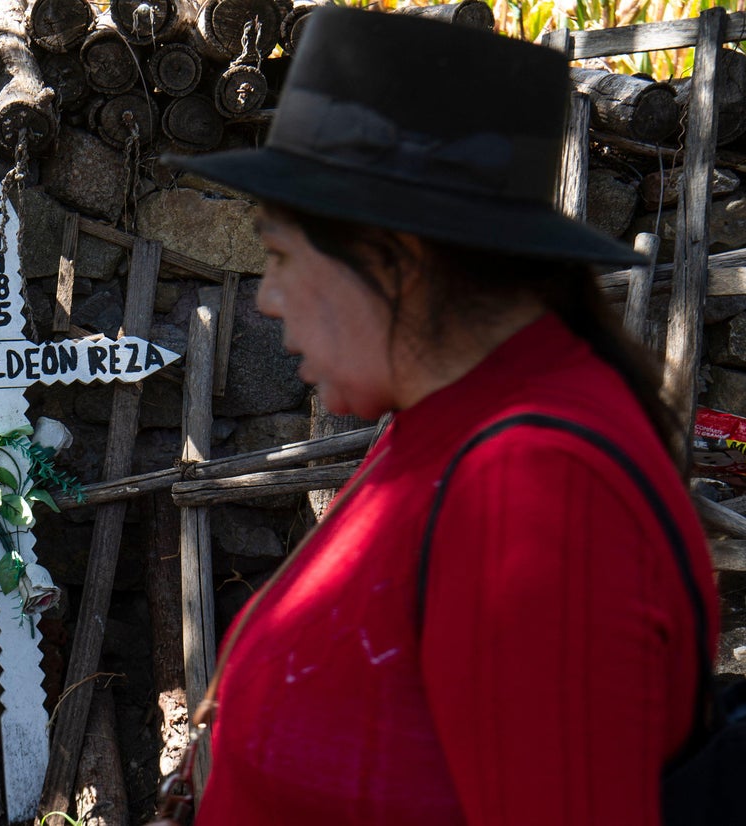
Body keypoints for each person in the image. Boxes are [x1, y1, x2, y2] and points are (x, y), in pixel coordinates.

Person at [162, 7, 720, 825]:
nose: (269, 300)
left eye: (280, 255)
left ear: (398, 261)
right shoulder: (446, 429)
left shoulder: (538, 489)